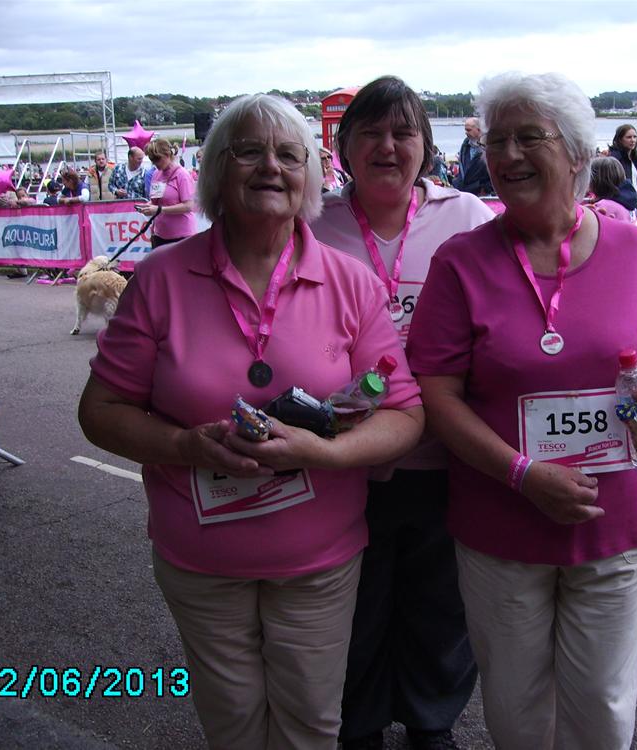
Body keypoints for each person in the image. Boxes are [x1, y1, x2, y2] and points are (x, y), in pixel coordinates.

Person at [77, 93, 425, 750]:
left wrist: (325, 453)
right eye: (248, 152)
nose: (271, 167)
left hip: (319, 560)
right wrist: (186, 444)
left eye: (289, 155)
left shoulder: (350, 282)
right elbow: (100, 412)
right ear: (216, 170)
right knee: (232, 723)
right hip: (201, 560)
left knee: (311, 725)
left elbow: (404, 412)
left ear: (310, 176)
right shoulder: (160, 279)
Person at [406, 71, 637, 750]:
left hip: (617, 522)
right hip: (501, 522)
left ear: (576, 153)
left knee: (601, 707)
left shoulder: (634, 248)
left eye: (529, 137)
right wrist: (521, 474)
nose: (508, 154)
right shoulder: (461, 262)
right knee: (517, 709)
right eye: (498, 140)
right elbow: (437, 394)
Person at [310, 75, 492, 750]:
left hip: (446, 452)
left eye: (403, 132)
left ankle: (429, 722)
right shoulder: (312, 222)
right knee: (353, 605)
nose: (387, 146)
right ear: (344, 147)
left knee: (441, 604)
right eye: (371, 132)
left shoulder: (467, 216)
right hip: (346, 455)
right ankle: (357, 724)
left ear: (426, 146)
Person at [136, 138, 196, 247]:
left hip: (182, 236)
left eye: (157, 159)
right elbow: (157, 201)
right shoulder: (156, 174)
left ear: (167, 154)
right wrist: (148, 206)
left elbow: (188, 206)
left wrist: (160, 209)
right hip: (159, 235)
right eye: (152, 160)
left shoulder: (182, 175)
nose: (155, 163)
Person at [454, 117, 492, 196]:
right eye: (465, 130)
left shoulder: (489, 147)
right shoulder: (465, 145)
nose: (466, 133)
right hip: (464, 192)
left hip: (481, 194)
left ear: (478, 130)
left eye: (469, 130)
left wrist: (486, 188)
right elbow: (462, 170)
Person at [608, 123, 637, 195]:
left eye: (634, 137)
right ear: (620, 139)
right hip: (619, 198)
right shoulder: (614, 159)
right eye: (629, 137)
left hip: (635, 198)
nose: (633, 140)